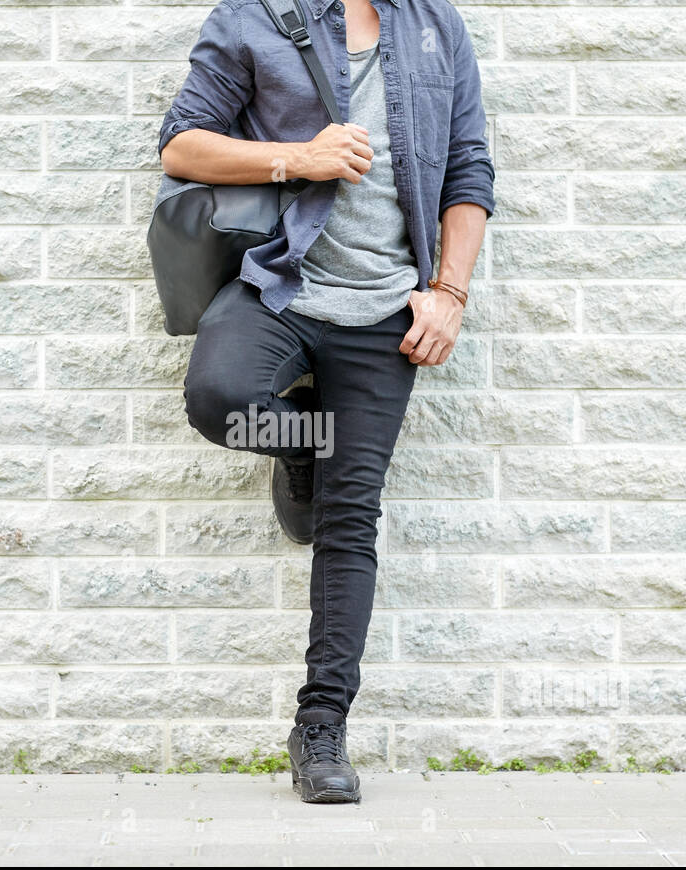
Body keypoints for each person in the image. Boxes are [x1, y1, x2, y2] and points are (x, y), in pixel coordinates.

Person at [158, 0, 494, 802]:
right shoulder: (253, 18)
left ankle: (321, 729)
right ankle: (306, 446)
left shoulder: (435, 26)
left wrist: (447, 292)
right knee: (219, 397)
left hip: (385, 314)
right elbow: (179, 146)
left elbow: (469, 167)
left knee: (350, 520)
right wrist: (296, 158)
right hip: (281, 285)